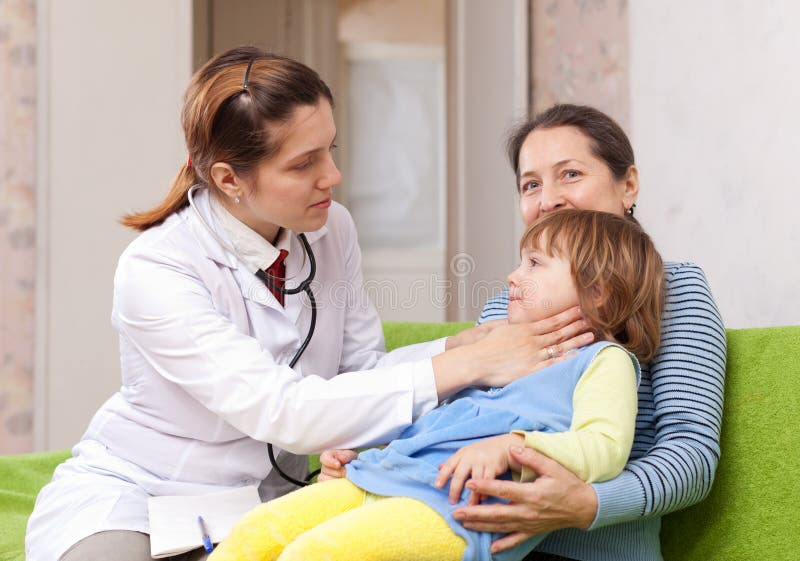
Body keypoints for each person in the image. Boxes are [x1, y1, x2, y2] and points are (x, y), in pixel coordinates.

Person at [24, 49, 593, 561]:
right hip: (141, 495)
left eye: (330, 150)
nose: (333, 177)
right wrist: (467, 364)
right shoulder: (157, 269)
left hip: (262, 504)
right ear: (229, 179)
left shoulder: (331, 228)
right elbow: (284, 411)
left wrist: (458, 346)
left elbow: (360, 373)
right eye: (303, 164)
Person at [320, 104, 726, 561]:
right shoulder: (506, 307)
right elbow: (455, 428)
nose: (548, 200)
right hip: (472, 539)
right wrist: (372, 467)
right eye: (531, 184)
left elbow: (690, 453)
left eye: (570, 174)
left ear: (627, 184)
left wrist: (585, 505)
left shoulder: (676, 289)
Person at [209, 208, 665, 561]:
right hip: (392, 476)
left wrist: (515, 448)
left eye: (535, 263)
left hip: (454, 508)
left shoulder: (604, 362)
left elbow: (604, 447)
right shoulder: (502, 348)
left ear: (598, 290)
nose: (513, 275)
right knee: (254, 534)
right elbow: (438, 427)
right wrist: (366, 457)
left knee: (316, 553)